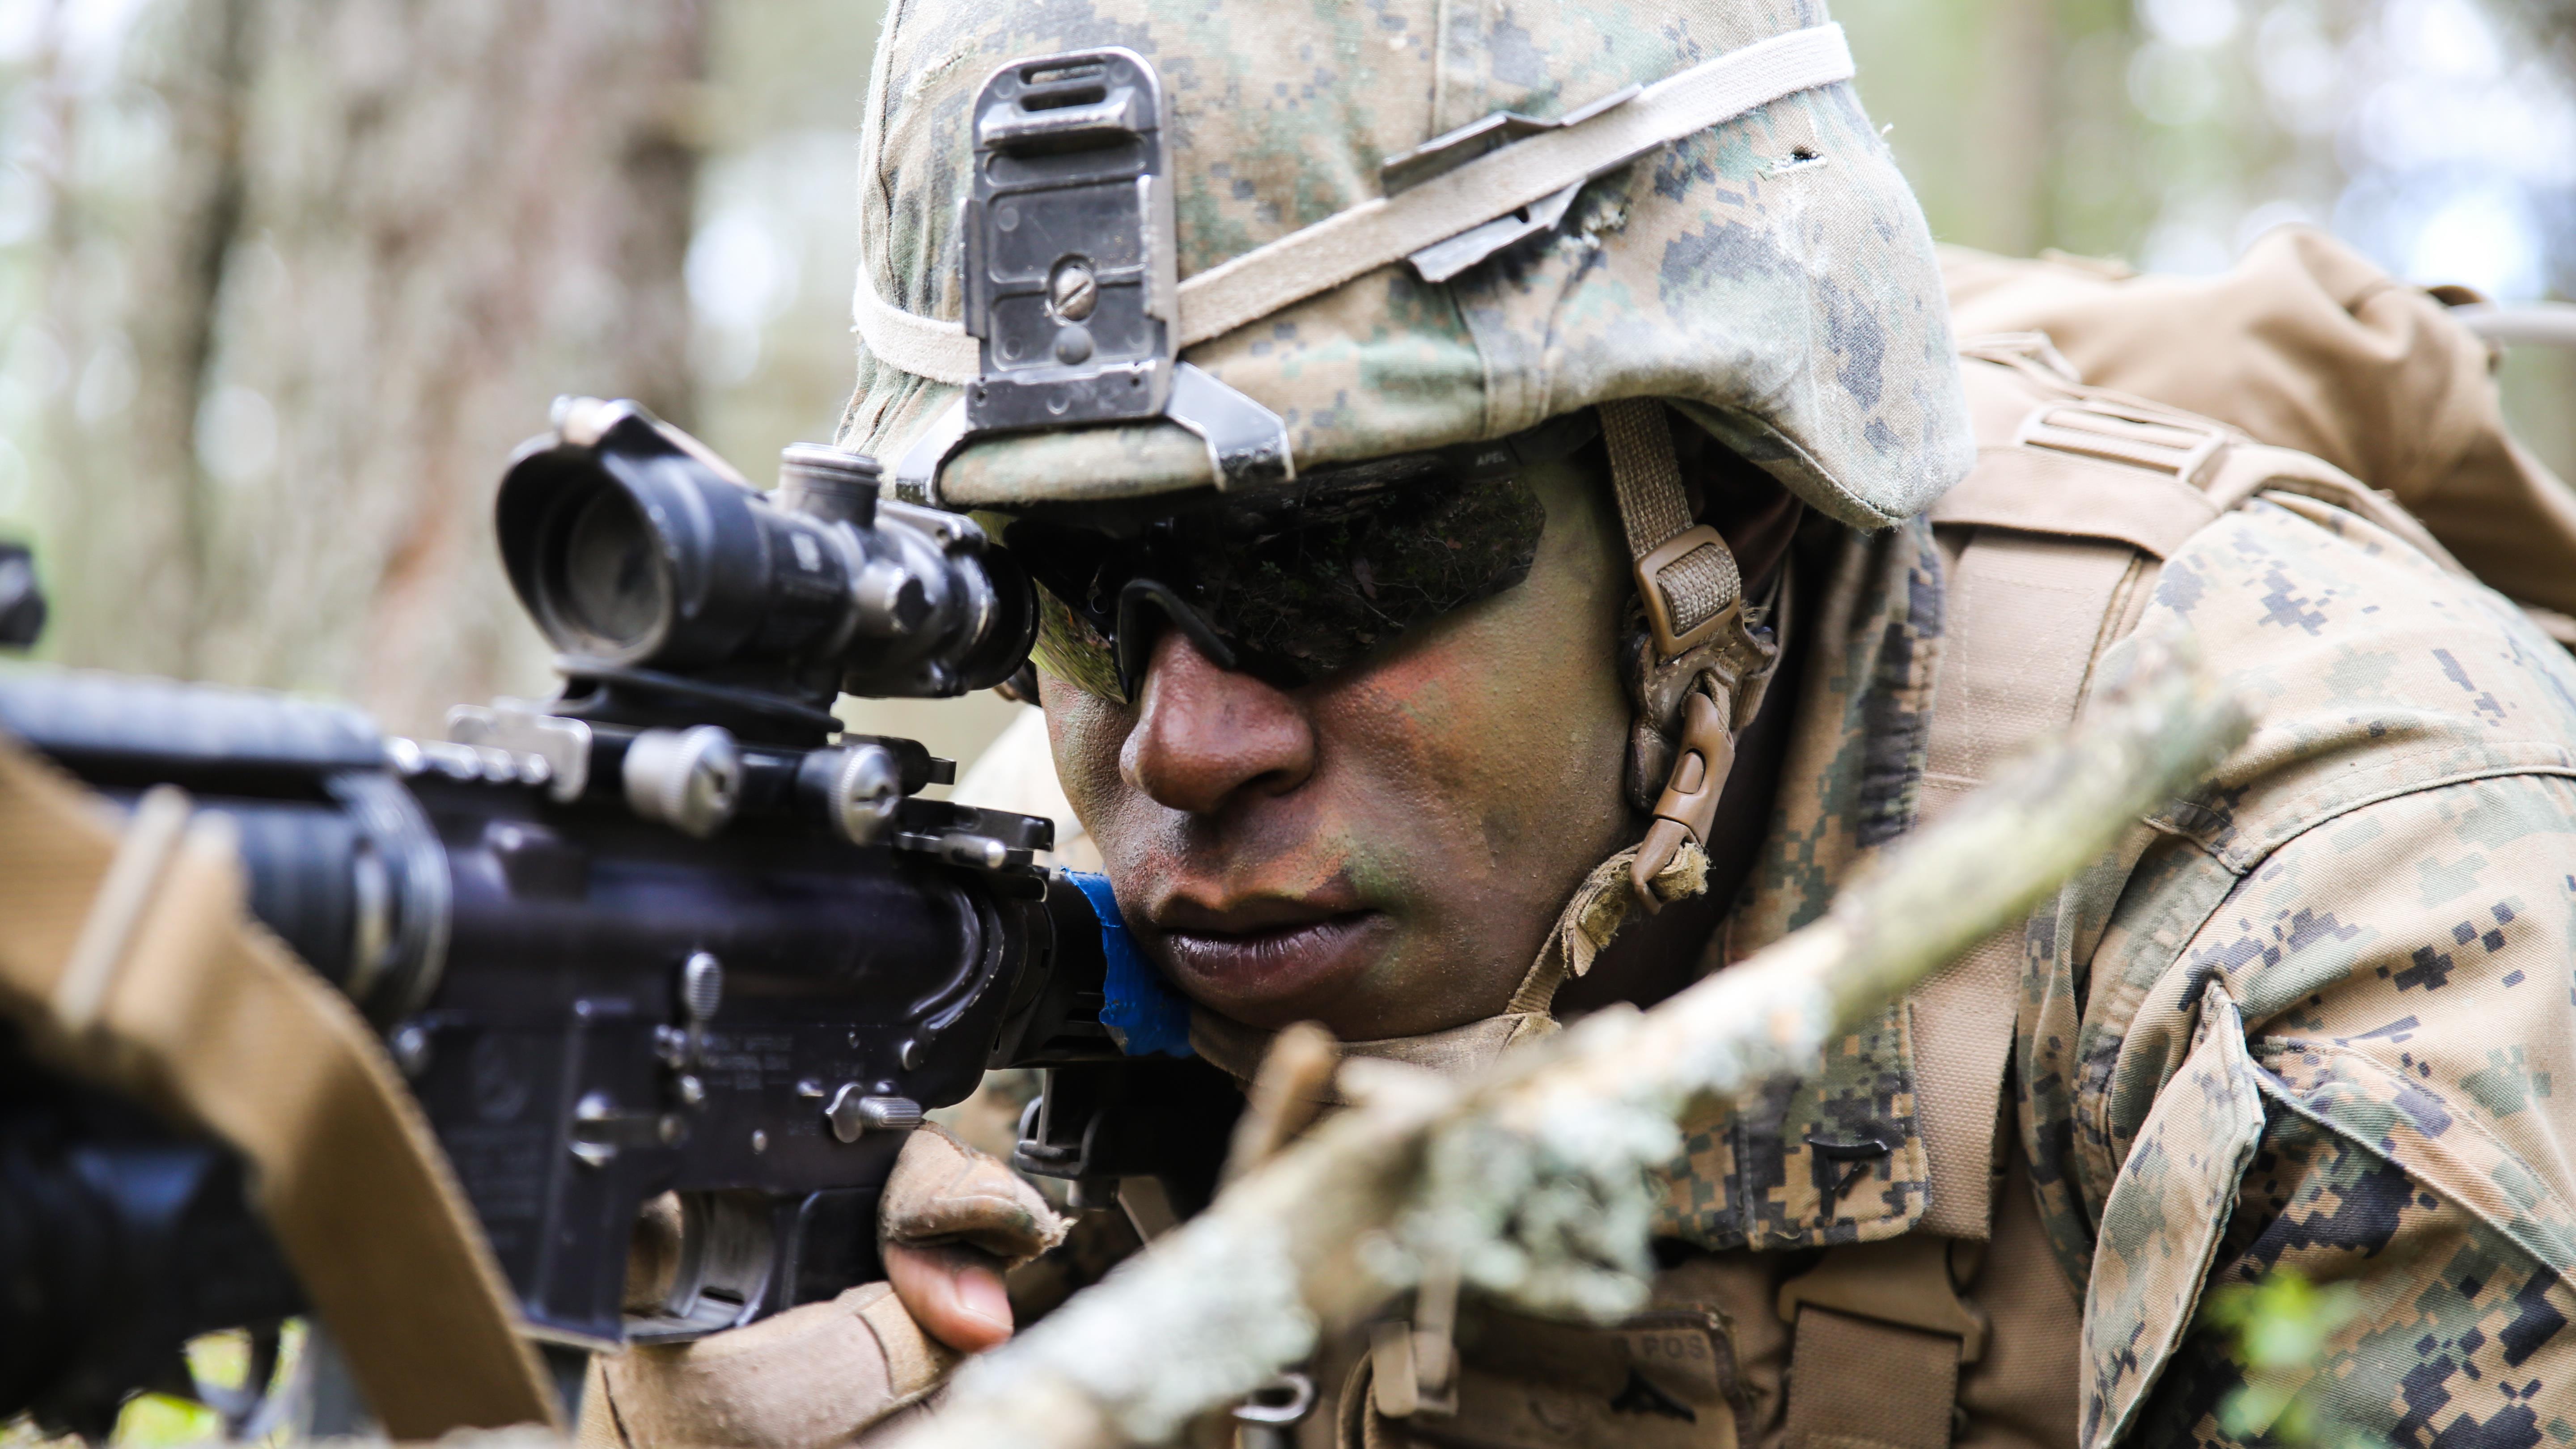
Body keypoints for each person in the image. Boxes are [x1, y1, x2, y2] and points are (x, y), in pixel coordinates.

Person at [585, 1, 2576, 1445]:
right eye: (1067, 587)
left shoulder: (2363, 922)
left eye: (1340, 562)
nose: (1184, 745)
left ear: (1720, 510)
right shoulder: (1000, 935)